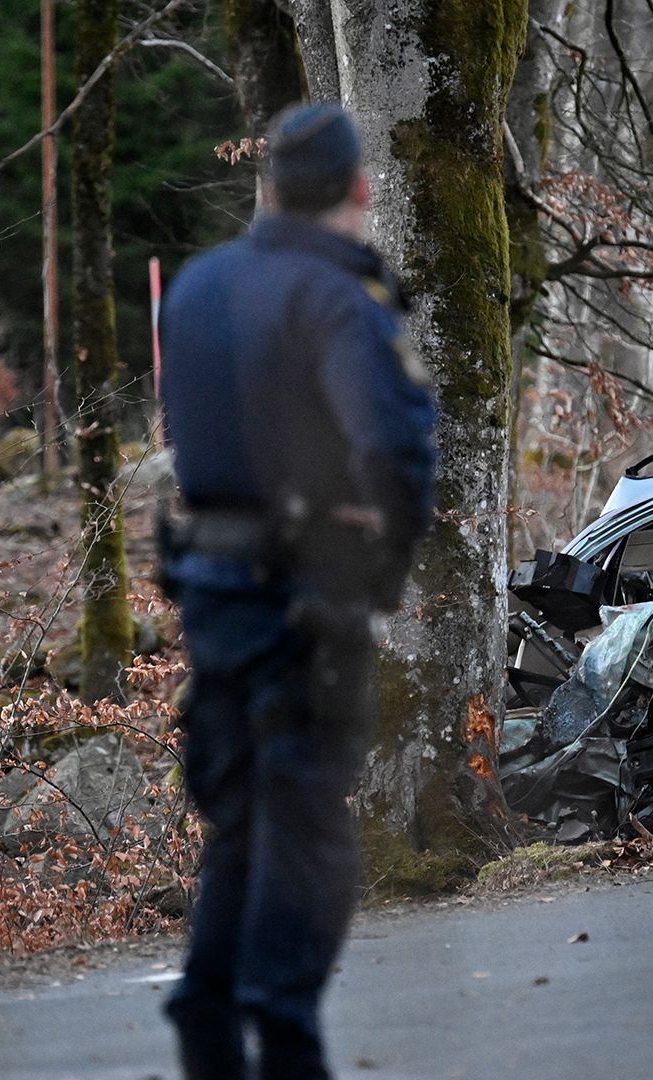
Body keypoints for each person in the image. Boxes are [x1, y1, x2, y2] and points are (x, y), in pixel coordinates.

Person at [156, 103, 438, 1080]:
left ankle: (207, 1019)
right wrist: (386, 558)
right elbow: (390, 447)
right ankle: (283, 1040)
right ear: (359, 191)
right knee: (312, 829)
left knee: (242, 821)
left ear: (266, 186)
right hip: (307, 593)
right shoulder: (337, 301)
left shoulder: (193, 290)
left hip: (210, 592)